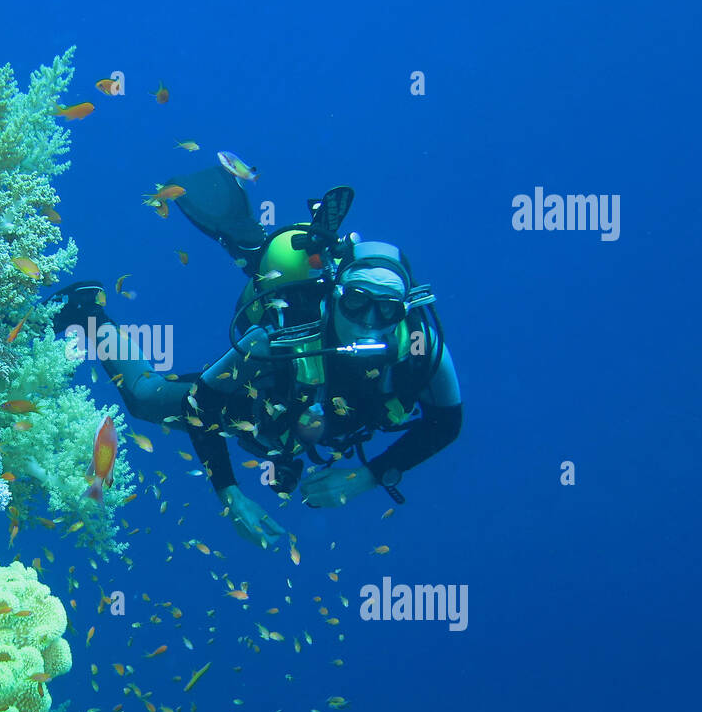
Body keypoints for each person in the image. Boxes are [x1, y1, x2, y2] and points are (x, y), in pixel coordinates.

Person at [48, 165, 462, 548]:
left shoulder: (421, 351)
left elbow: (447, 423)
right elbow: (202, 407)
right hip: (253, 398)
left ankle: (252, 244)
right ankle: (88, 313)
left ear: (405, 310)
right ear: (336, 293)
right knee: (144, 397)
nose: (369, 321)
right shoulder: (277, 339)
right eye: (356, 302)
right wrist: (230, 493)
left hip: (294, 428)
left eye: (386, 308)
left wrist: (364, 479)